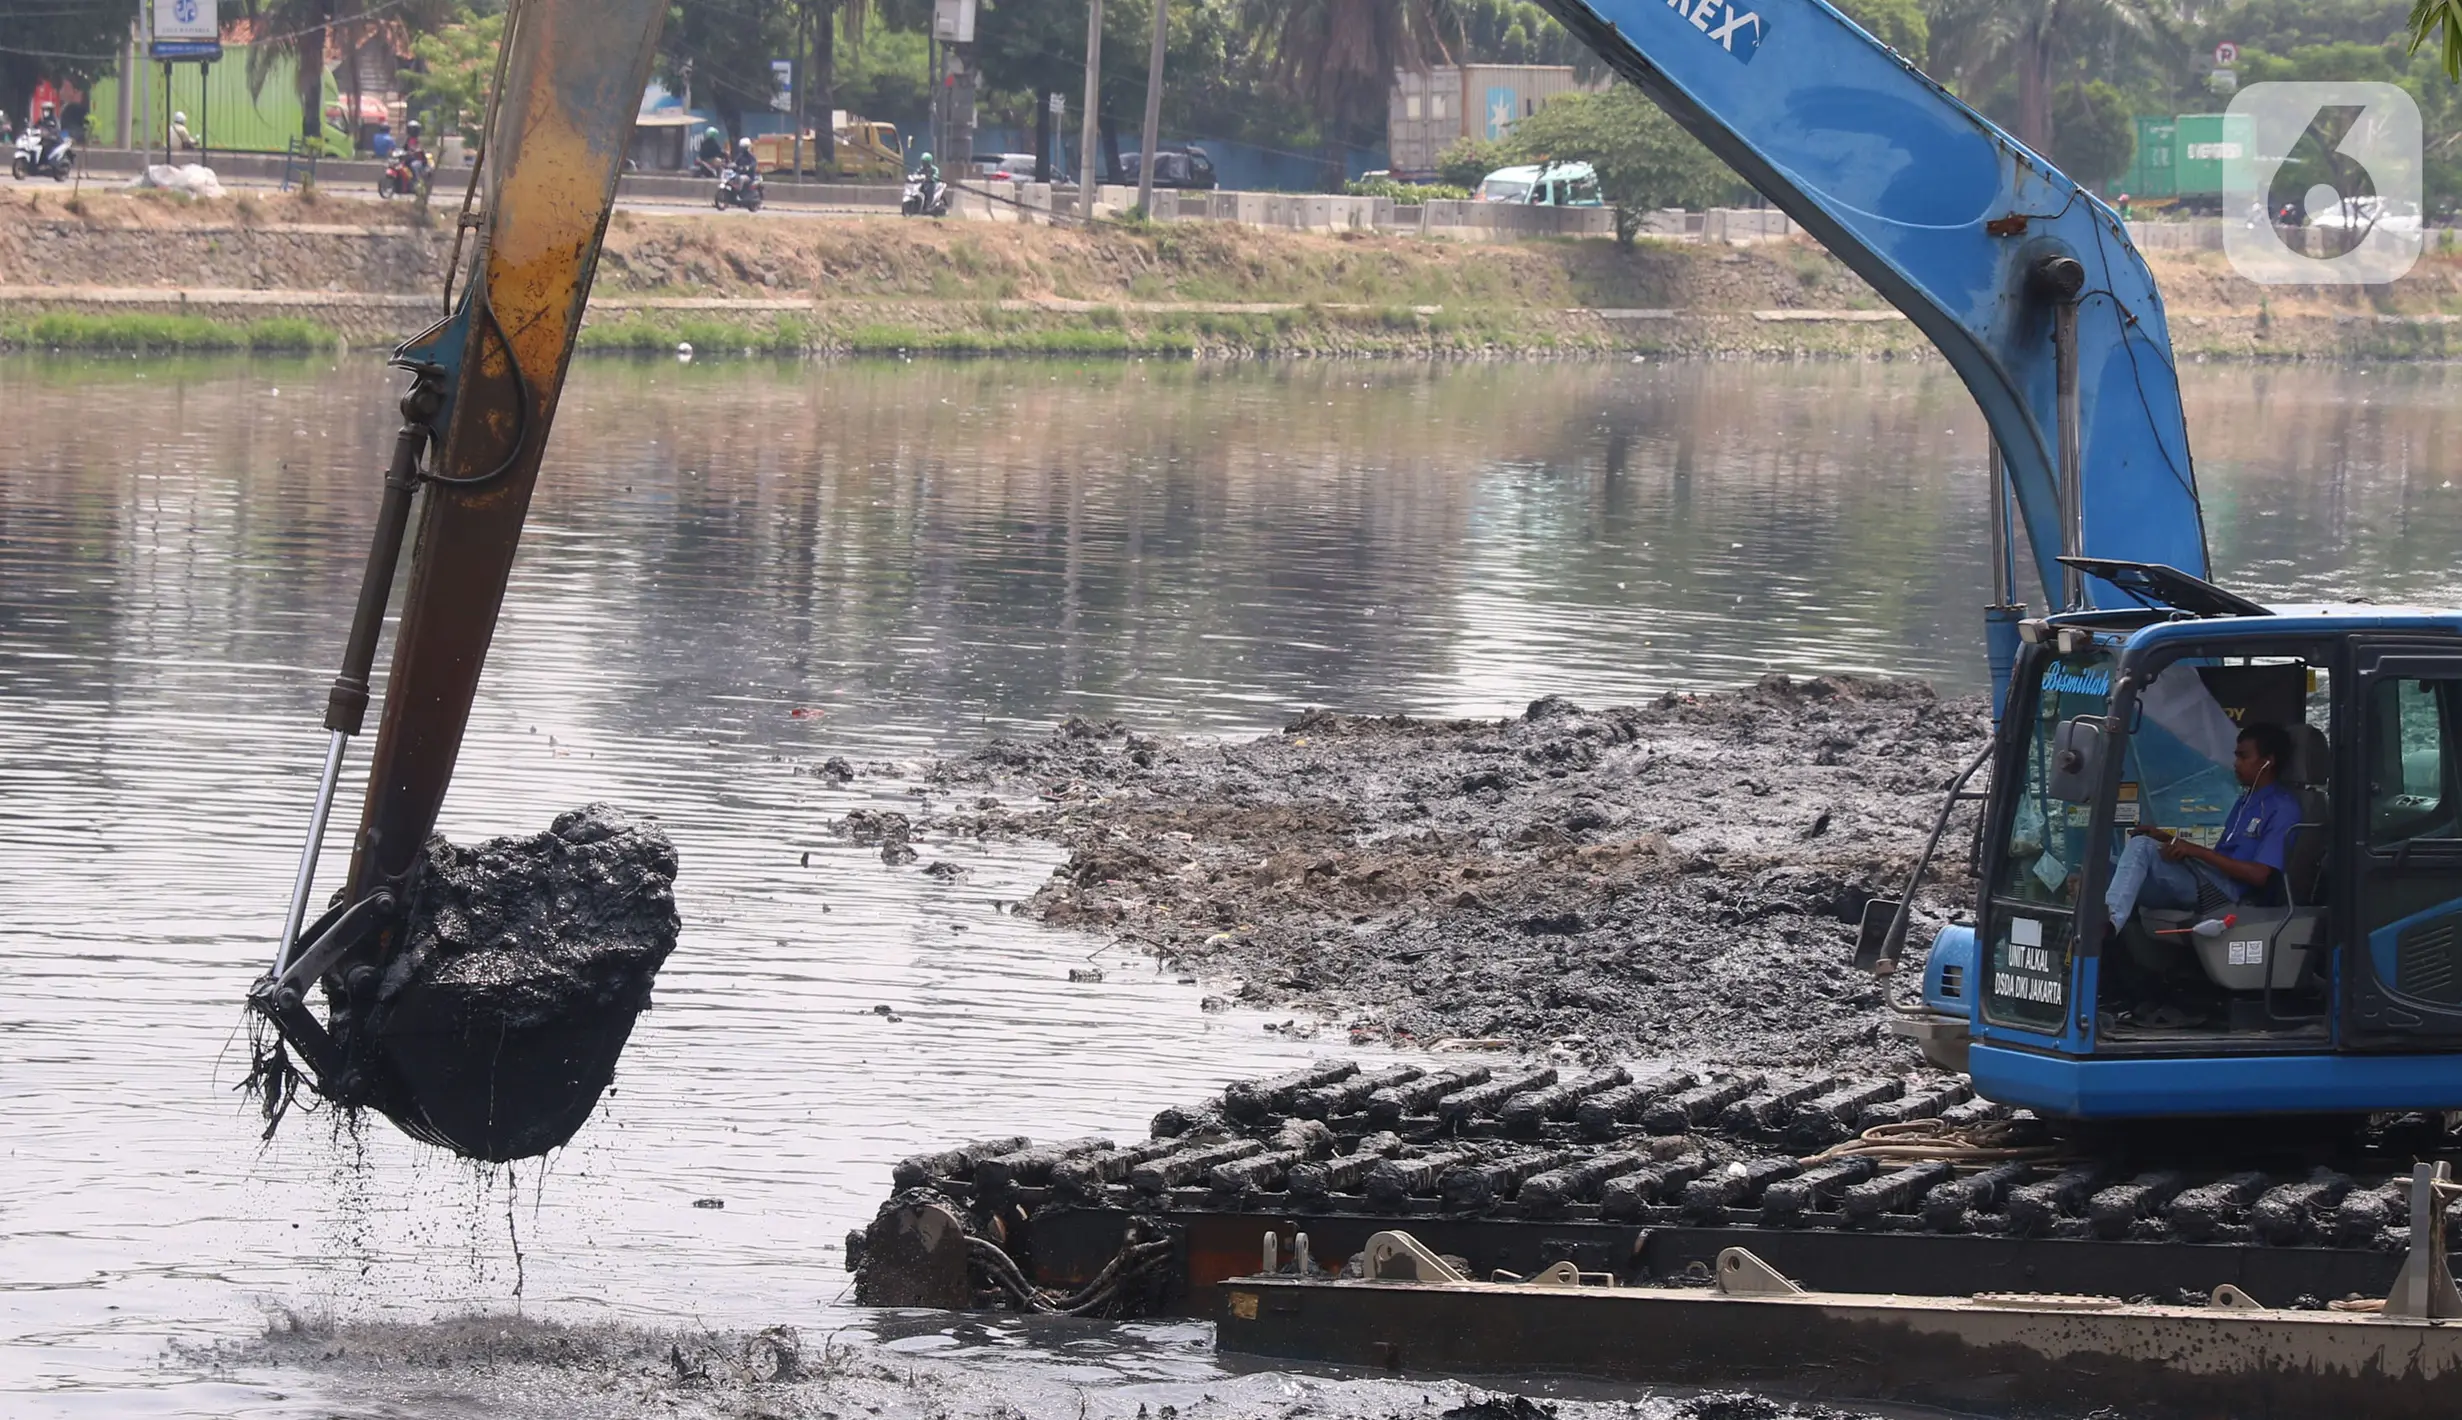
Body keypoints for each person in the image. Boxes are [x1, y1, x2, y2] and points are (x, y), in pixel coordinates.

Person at [2105, 721, 2302, 929]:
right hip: (2213, 879)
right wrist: (2171, 841)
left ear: (2267, 762)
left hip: (2232, 893)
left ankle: (2110, 924)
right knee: (2109, 864)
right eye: (2236, 756)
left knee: (2142, 847)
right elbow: (2220, 859)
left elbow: (2259, 875)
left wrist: (2194, 851)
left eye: (2243, 757)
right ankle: (2093, 931)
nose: (2235, 764)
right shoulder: (2246, 801)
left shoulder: (2282, 808)